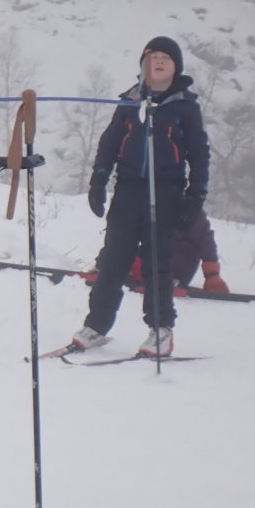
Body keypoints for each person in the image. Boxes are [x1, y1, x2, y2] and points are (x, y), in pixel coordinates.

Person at [71, 36, 211, 357]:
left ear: (176, 67)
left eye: (166, 57)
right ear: (143, 65)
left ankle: (160, 331)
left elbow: (199, 153)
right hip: (128, 189)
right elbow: (109, 143)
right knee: (113, 260)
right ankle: (97, 326)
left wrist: (196, 196)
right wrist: (98, 180)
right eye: (153, 57)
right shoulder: (130, 101)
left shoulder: (185, 106)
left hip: (166, 190)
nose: (158, 62)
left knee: (157, 263)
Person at [93, 206, 230, 292]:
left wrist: (212, 276)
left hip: (178, 262)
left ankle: (113, 269)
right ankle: (110, 266)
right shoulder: (153, 204)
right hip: (156, 256)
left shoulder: (189, 207)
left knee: (124, 259)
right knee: (122, 254)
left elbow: (206, 240)